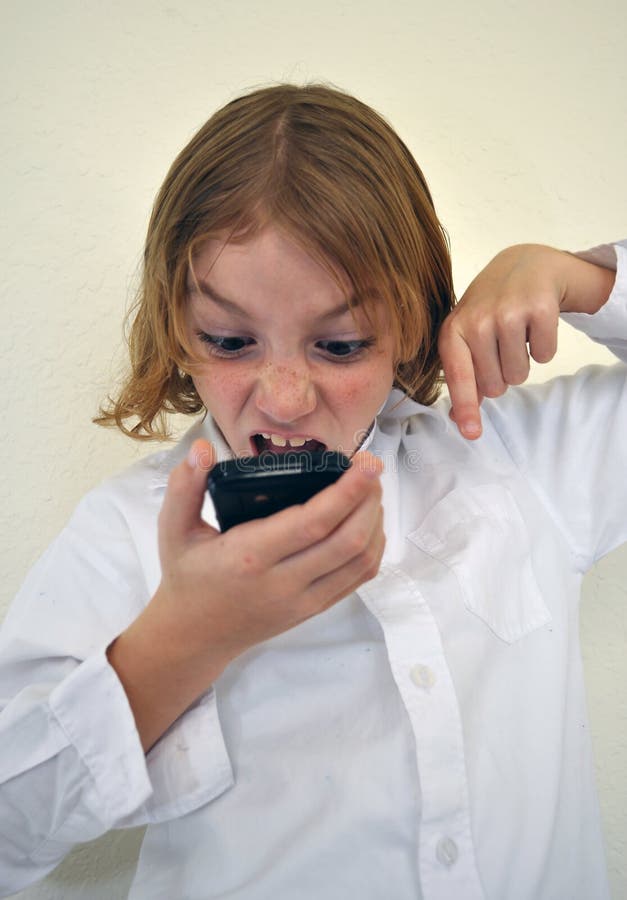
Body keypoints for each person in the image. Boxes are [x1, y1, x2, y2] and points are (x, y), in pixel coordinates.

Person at [0, 83, 624, 900]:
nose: (285, 398)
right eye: (229, 340)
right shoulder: (125, 530)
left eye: (339, 345)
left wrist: (580, 278)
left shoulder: (517, 462)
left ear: (410, 322)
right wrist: (182, 641)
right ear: (175, 324)